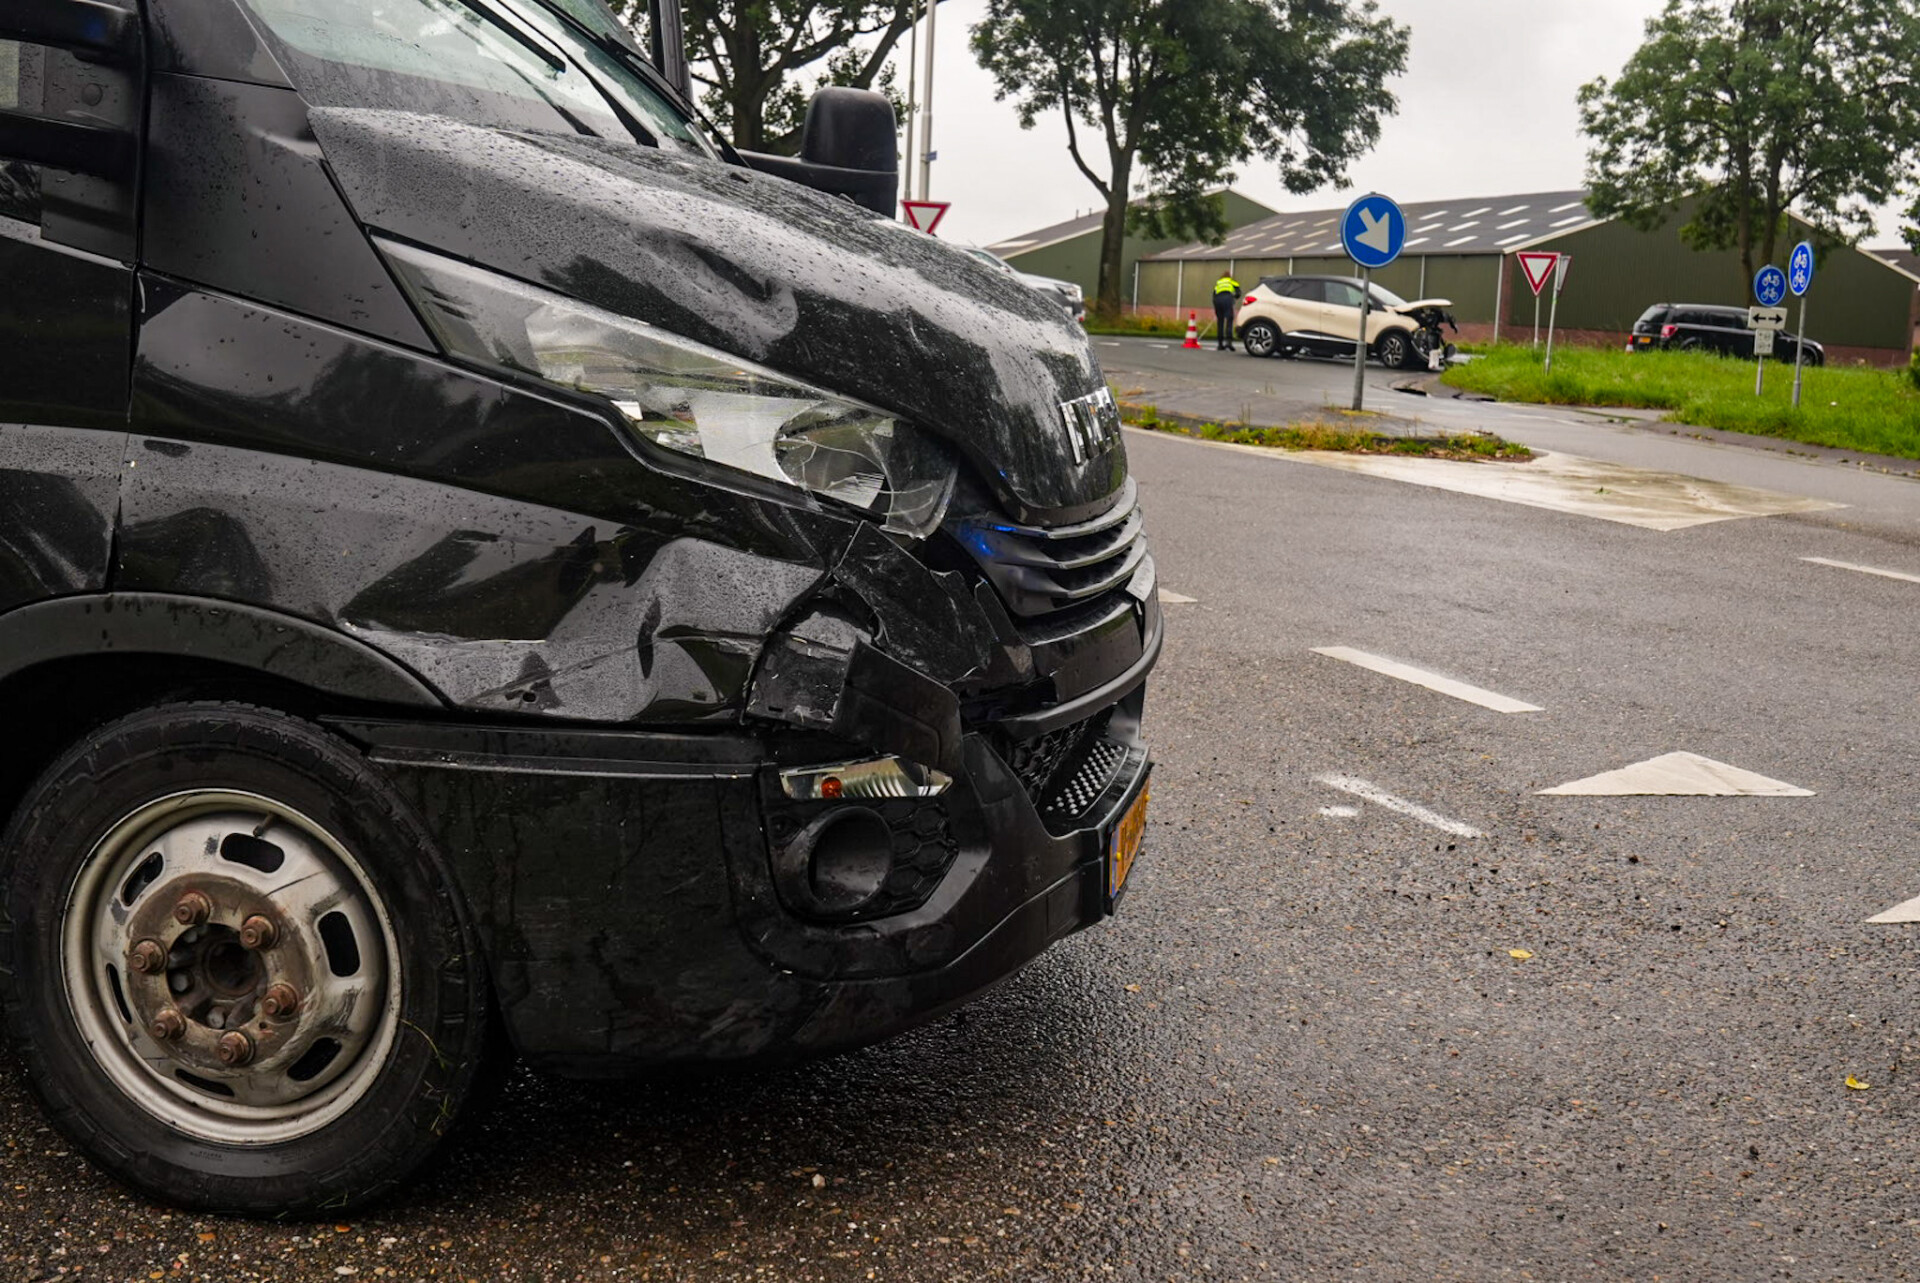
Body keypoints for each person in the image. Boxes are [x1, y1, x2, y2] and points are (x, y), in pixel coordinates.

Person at [1212, 272, 1240, 350]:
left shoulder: (1219, 282)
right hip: (1227, 299)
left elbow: (1214, 294)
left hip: (1217, 300)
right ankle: (1229, 343)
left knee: (1220, 321)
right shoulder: (1231, 281)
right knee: (1229, 320)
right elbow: (1238, 293)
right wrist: (1234, 297)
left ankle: (1220, 344)